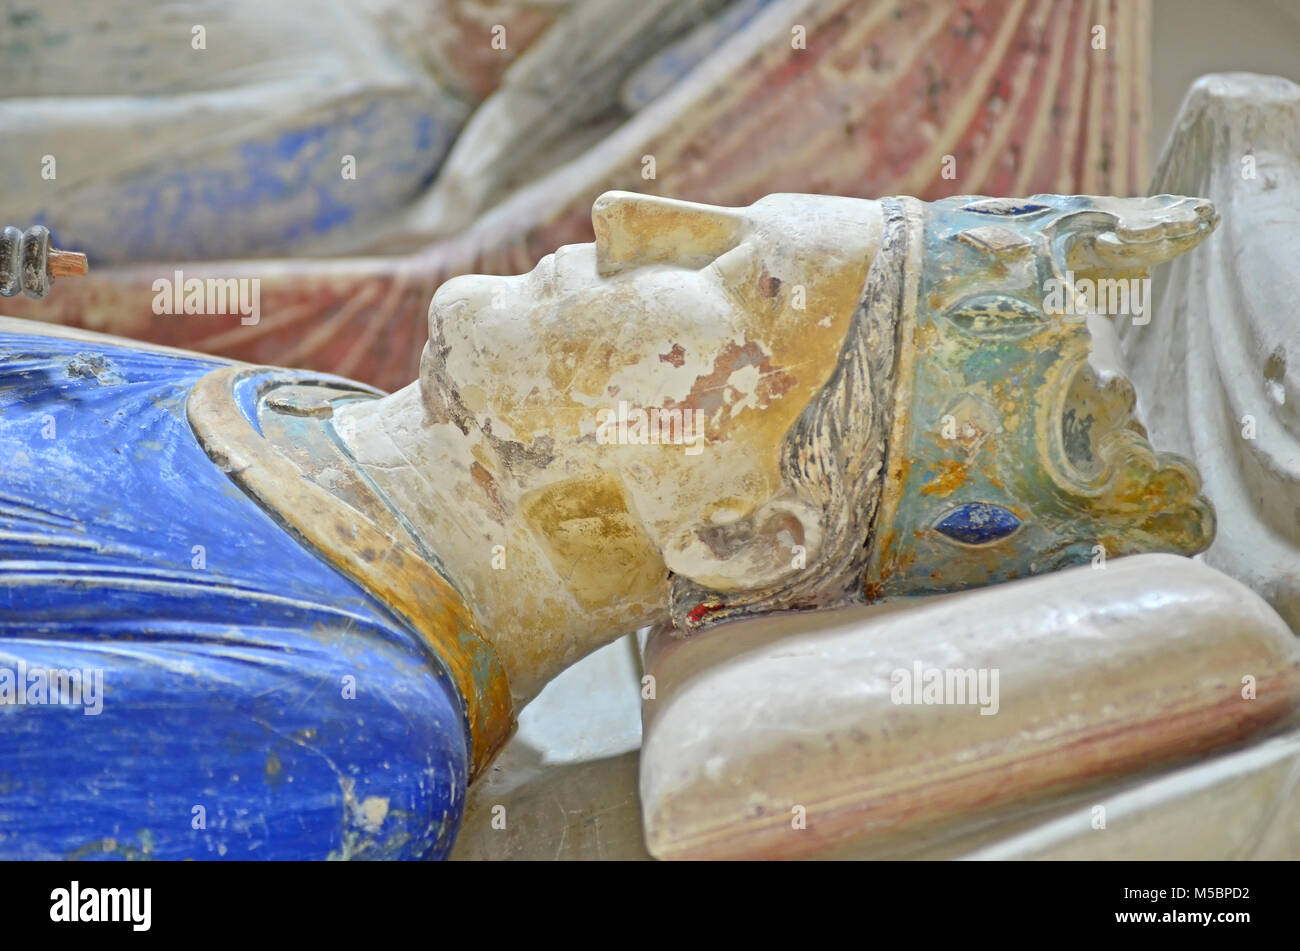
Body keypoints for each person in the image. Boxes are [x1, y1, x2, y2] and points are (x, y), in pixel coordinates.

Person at [0, 189, 1215, 859]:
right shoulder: (305, 415)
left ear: (736, 532)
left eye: (745, 274)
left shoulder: (340, 737)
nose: (630, 210)